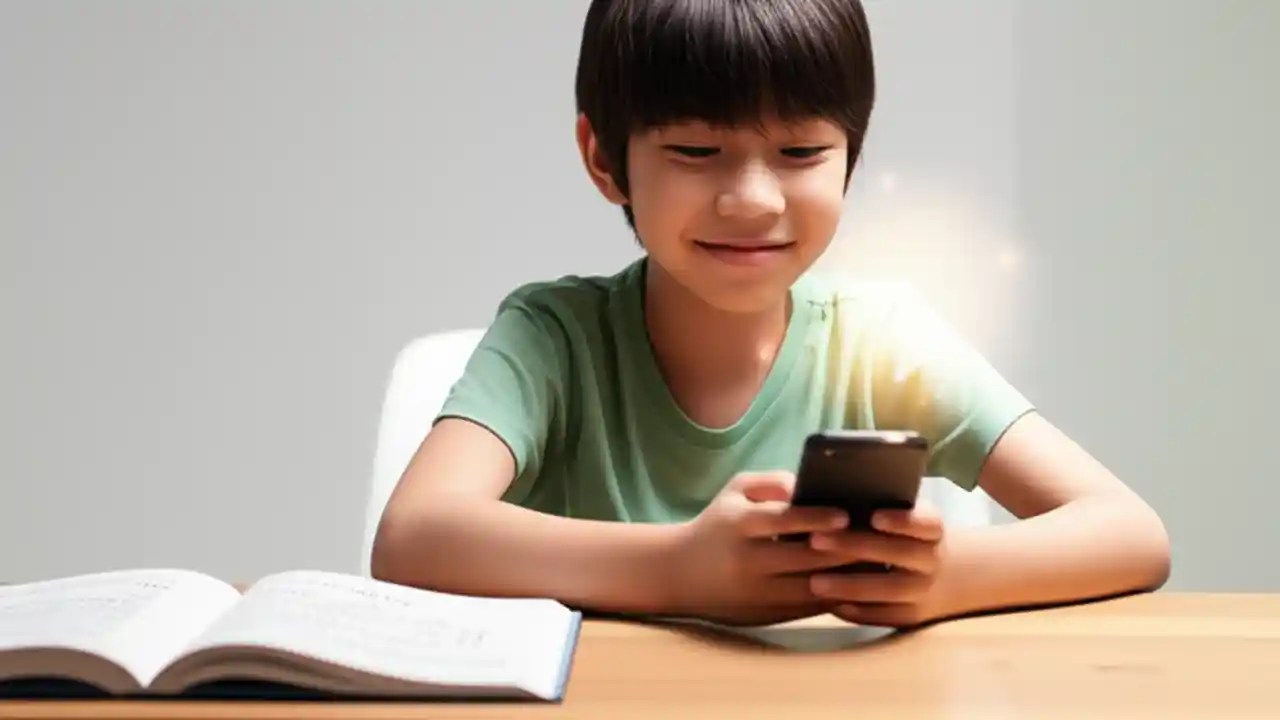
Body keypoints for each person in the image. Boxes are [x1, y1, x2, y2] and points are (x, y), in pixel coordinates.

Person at [371, 0, 1170, 628]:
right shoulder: (554, 339)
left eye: (799, 154)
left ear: (851, 156)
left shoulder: (885, 341)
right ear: (604, 160)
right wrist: (679, 569)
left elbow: (1130, 532)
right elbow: (413, 536)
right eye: (694, 152)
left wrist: (948, 577)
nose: (752, 200)